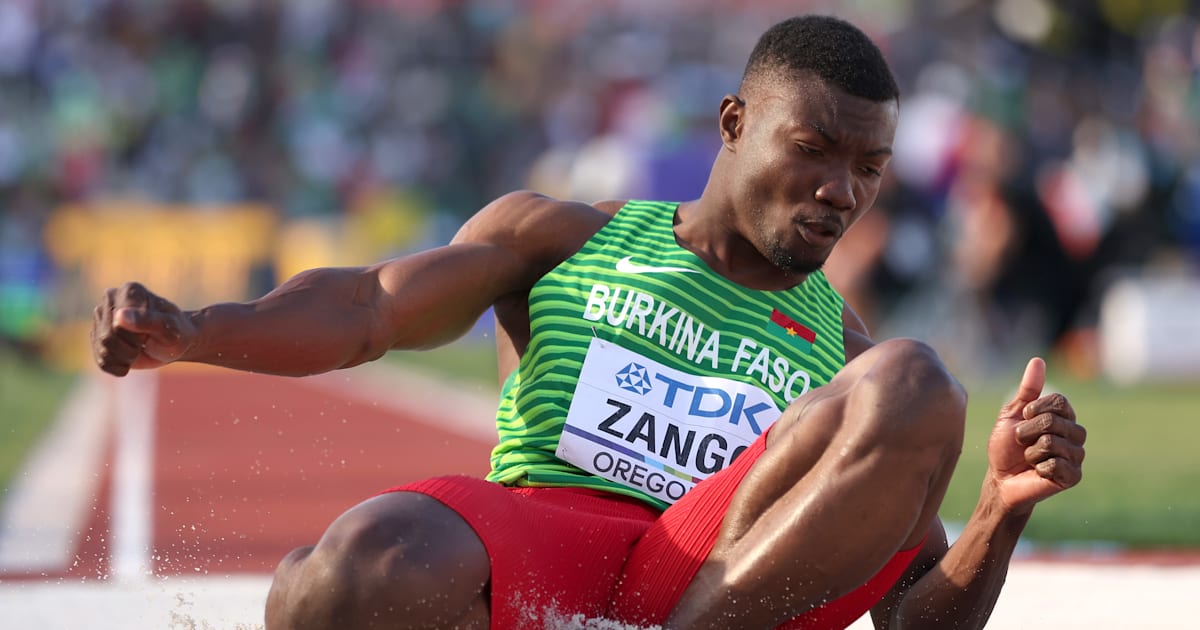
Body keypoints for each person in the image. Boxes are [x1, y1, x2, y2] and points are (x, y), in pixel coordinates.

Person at [91, 15, 1087, 630]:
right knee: (348, 577)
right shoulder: (562, 236)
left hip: (721, 575)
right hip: (550, 535)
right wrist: (202, 330)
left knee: (920, 378)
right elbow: (365, 309)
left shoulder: (855, 365)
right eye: (814, 148)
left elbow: (915, 618)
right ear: (734, 122)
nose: (840, 190)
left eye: (867, 169)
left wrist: (1002, 505)